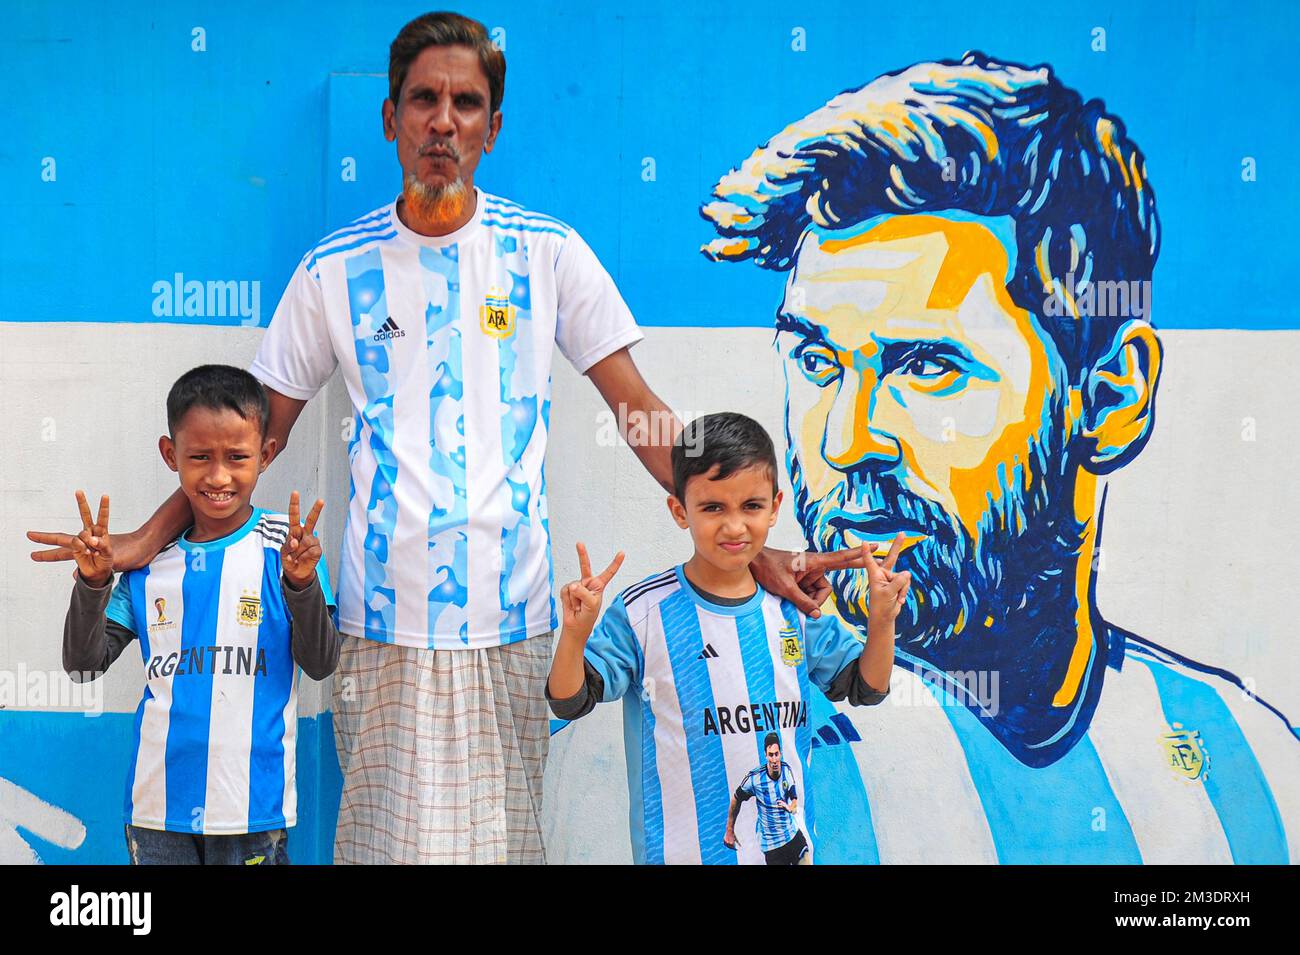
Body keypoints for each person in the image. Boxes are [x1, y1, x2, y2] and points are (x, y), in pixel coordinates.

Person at [29, 11, 863, 865]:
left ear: (492, 128)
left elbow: (637, 409)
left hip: (514, 622)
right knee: (380, 849)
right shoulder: (333, 271)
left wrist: (747, 540)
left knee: (502, 850)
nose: (443, 121)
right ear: (390, 118)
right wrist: (144, 536)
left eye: (465, 103)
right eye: (423, 100)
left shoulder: (548, 254)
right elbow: (251, 443)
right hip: (379, 624)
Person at [700, 53, 1300, 862]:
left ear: (1113, 398)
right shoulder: (754, 760)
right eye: (817, 362)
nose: (846, 439)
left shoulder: (1250, 766)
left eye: (928, 367)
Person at [546, 413, 908, 865]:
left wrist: (882, 621)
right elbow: (570, 699)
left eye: (751, 507)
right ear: (680, 511)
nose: (734, 527)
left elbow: (866, 687)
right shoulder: (643, 612)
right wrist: (575, 635)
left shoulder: (793, 607)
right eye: (713, 507)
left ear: (775, 507)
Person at [39, 364, 339, 865]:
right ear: (170, 454)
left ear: (265, 455)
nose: (218, 476)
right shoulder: (147, 564)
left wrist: (302, 585)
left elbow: (321, 662)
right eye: (199, 457)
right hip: (157, 812)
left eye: (237, 458)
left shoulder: (286, 552)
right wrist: (93, 583)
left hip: (253, 811)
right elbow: (84, 664)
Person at [725, 732, 809, 865]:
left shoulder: (787, 770)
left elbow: (794, 801)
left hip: (792, 835)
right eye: (771, 755)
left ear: (780, 753)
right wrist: (729, 830)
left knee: (807, 860)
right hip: (772, 846)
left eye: (776, 754)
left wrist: (790, 808)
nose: (774, 759)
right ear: (766, 755)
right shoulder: (754, 778)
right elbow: (736, 798)